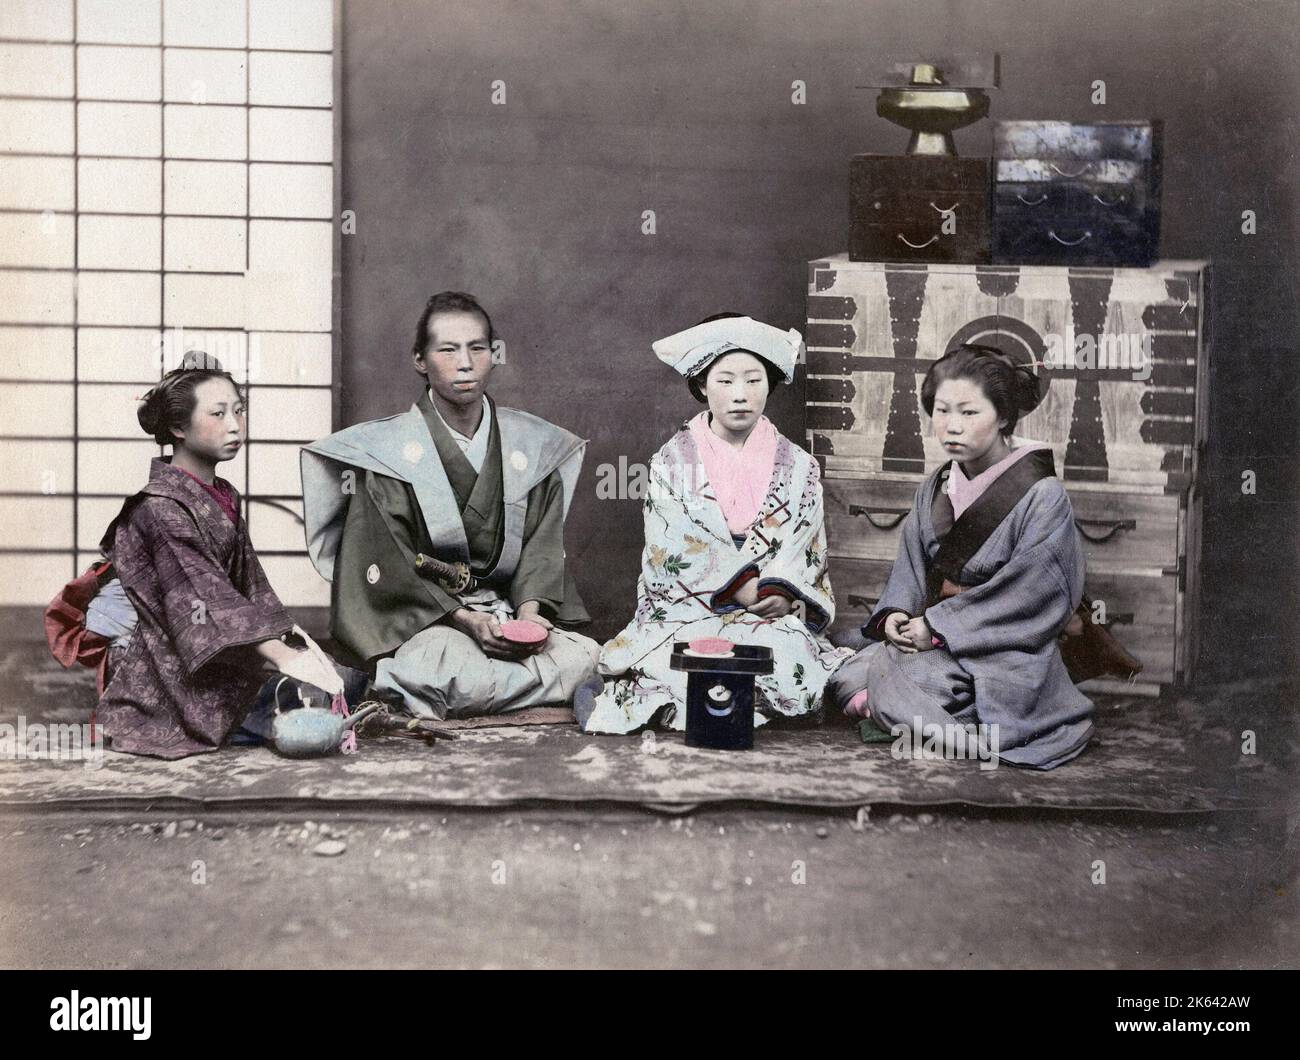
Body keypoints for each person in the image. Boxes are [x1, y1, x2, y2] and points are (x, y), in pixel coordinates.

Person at [300, 291, 600, 718]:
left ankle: (463, 693)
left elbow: (541, 549)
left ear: (494, 355)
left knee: (586, 656)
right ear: (420, 360)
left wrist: (529, 621)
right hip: (436, 622)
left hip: (505, 610)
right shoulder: (389, 454)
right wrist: (466, 621)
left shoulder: (530, 447)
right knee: (437, 668)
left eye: (477, 348)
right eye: (448, 349)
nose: (465, 362)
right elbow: (392, 564)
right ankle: (511, 690)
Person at [578, 313, 853, 734]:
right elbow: (667, 549)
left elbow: (805, 547)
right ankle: (737, 705)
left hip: (767, 611)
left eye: (753, 380)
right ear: (702, 384)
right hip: (691, 608)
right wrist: (734, 586)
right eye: (725, 381)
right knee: (677, 656)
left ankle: (719, 703)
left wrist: (783, 595)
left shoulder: (799, 466)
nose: (740, 395)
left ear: (771, 383)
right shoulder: (672, 462)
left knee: (784, 651)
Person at [826, 344, 1095, 769]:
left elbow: (1036, 593)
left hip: (1001, 647)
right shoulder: (936, 486)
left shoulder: (1043, 496)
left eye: (969, 413)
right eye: (942, 411)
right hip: (935, 638)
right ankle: (894, 704)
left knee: (903, 678)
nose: (952, 426)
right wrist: (897, 614)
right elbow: (911, 570)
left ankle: (894, 706)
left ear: (1004, 416)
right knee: (843, 663)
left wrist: (936, 627)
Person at [92, 353, 346, 758]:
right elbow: (201, 596)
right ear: (178, 426)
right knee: (299, 692)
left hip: (213, 637)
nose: (234, 425)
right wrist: (280, 656)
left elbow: (249, 585)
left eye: (239, 411)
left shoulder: (224, 495)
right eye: (218, 413)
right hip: (166, 652)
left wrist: (291, 644)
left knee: (338, 679)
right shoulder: (159, 507)